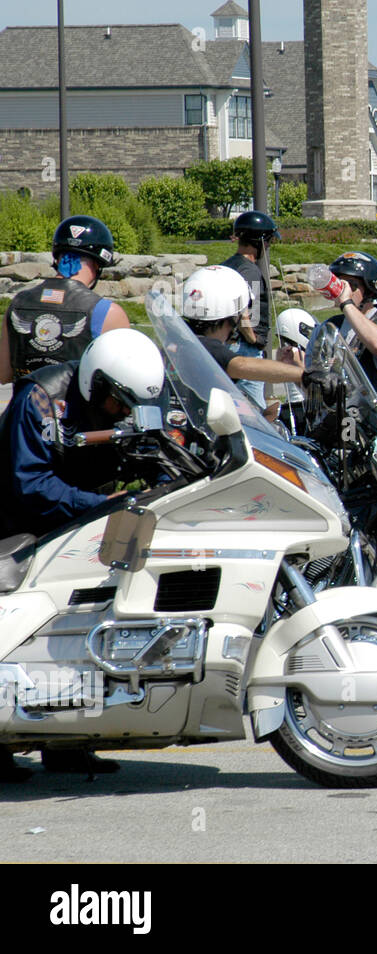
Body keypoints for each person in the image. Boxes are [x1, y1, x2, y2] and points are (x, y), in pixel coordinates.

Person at [0, 327, 165, 780]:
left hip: (73, 524)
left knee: (80, 627)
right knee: (22, 630)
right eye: (118, 402)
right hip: (17, 526)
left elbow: (136, 447)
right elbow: (28, 482)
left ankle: (68, 742)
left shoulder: (117, 398)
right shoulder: (38, 400)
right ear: (96, 383)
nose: (123, 411)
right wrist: (101, 507)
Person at [178, 266, 329, 415]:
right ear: (234, 315)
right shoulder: (207, 348)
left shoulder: (182, 341)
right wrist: (306, 375)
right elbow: (242, 365)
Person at [1, 215, 130, 385]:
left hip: (28, 409)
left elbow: (3, 374)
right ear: (98, 264)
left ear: (58, 258)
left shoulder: (18, 303)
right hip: (76, 411)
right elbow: (123, 380)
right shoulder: (109, 313)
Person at [319, 252, 377, 420]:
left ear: (370, 289)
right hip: (340, 423)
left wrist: (346, 303)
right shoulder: (332, 326)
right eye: (340, 284)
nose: (344, 290)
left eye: (352, 285)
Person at [218, 210, 280, 409]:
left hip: (227, 344)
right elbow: (240, 306)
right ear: (258, 240)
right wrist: (252, 337)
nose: (268, 245)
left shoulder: (228, 265)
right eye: (268, 240)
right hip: (244, 348)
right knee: (257, 412)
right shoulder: (250, 270)